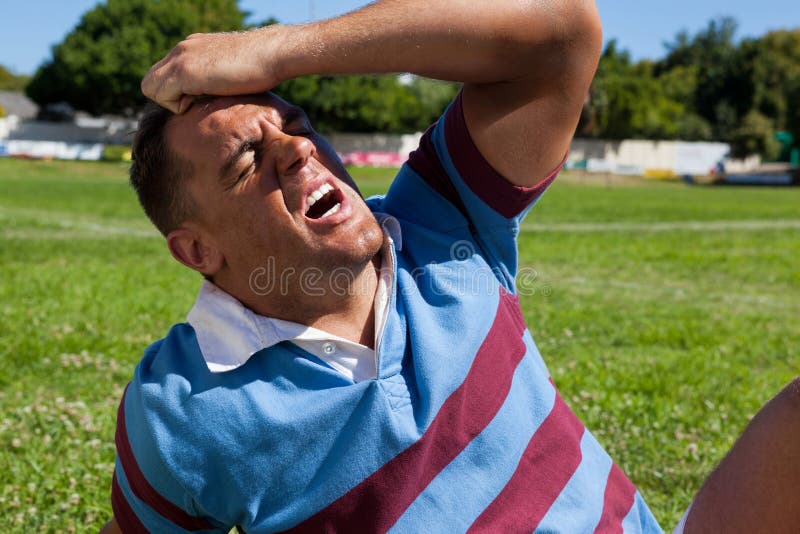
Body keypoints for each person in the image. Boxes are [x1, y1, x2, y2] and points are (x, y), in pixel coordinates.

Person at [100, 0, 799, 532]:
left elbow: (562, 34)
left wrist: (277, 51)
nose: (297, 151)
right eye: (247, 160)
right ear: (197, 251)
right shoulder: (179, 411)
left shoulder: (440, 217)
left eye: (299, 126)